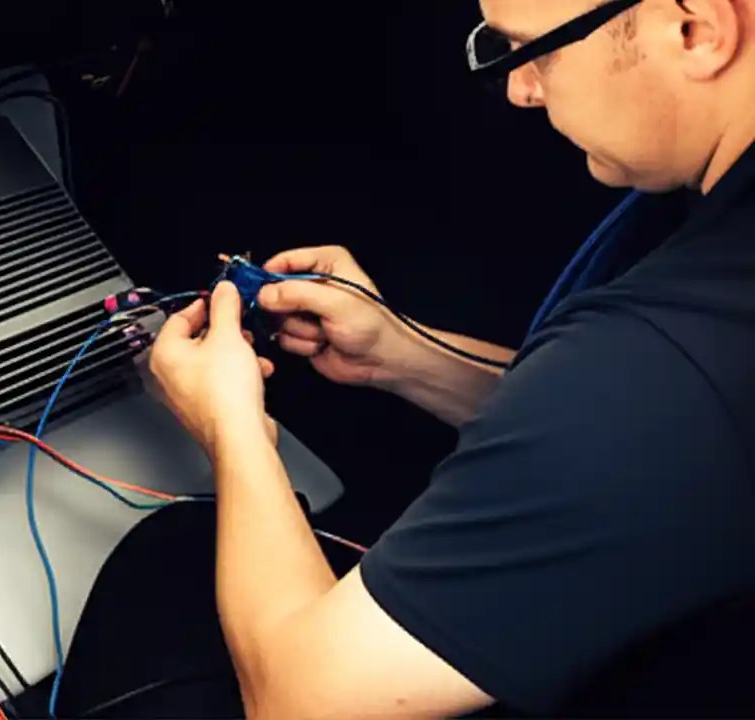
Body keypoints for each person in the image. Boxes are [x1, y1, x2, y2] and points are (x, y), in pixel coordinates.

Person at [50, 0, 755, 717]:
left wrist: (233, 429)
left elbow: (297, 699)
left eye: (531, 51)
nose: (521, 90)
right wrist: (400, 354)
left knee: (165, 565)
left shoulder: (662, 368)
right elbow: (621, 438)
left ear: (695, 29)